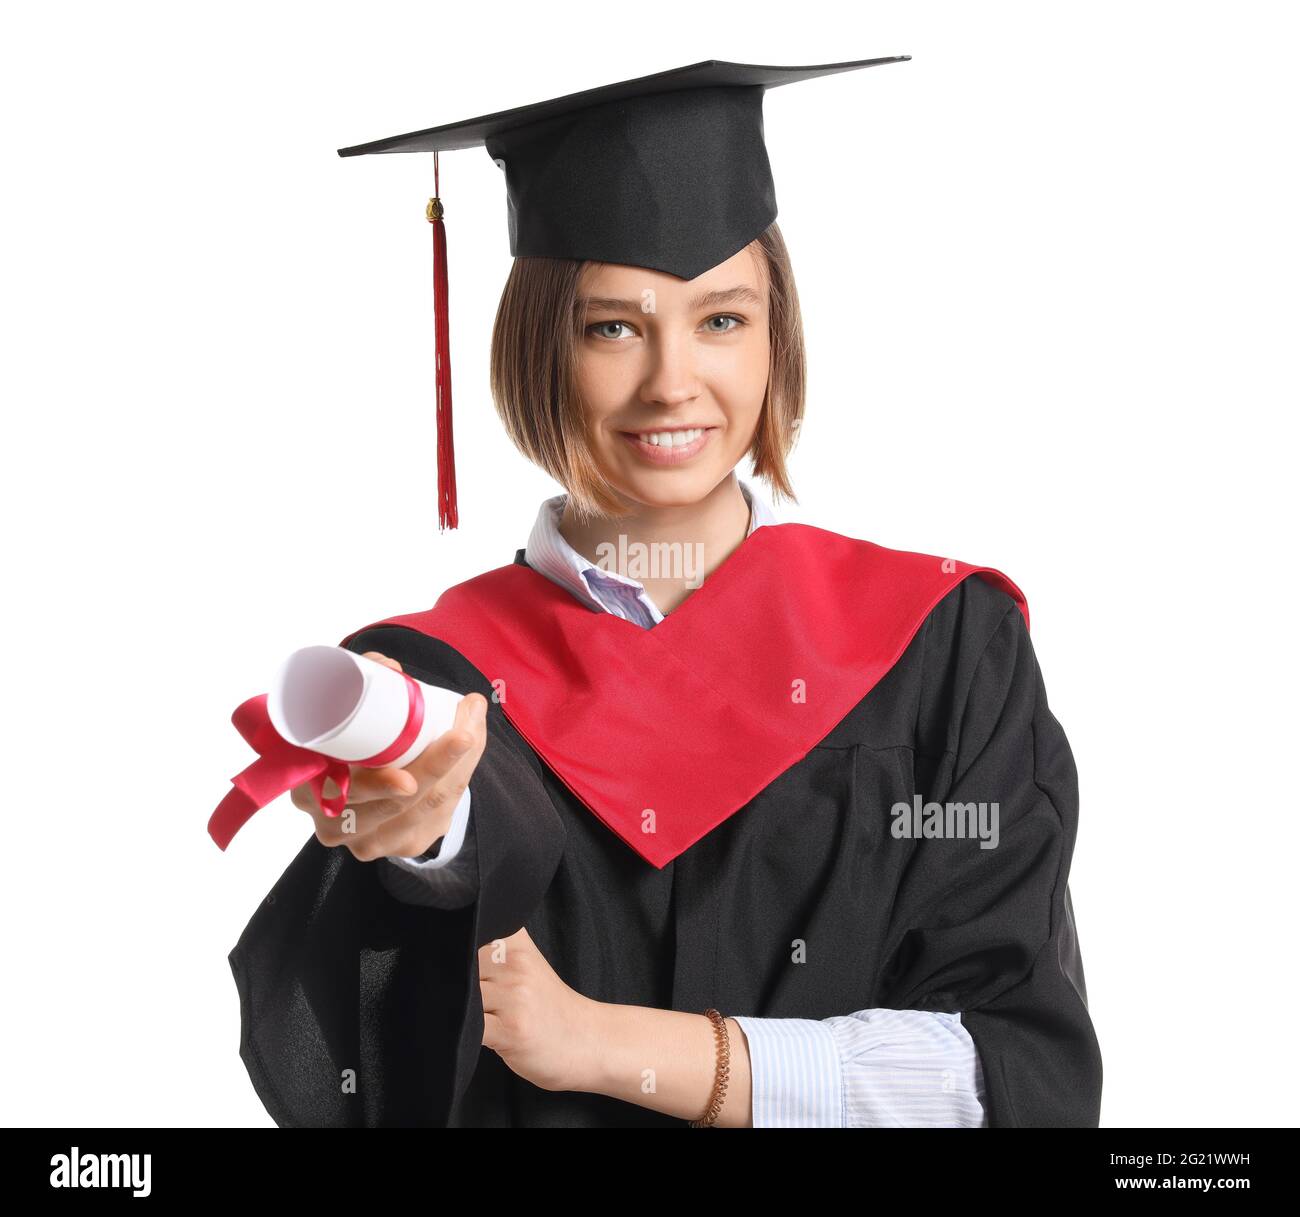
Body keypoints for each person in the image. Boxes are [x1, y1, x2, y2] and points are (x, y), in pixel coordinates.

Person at [226, 58, 1103, 1128]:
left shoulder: (943, 645)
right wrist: (431, 845)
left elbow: (1014, 1078)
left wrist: (611, 1044)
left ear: (775, 331)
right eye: (613, 327)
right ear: (541, 344)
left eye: (721, 319)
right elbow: (366, 1070)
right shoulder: (432, 685)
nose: (672, 383)